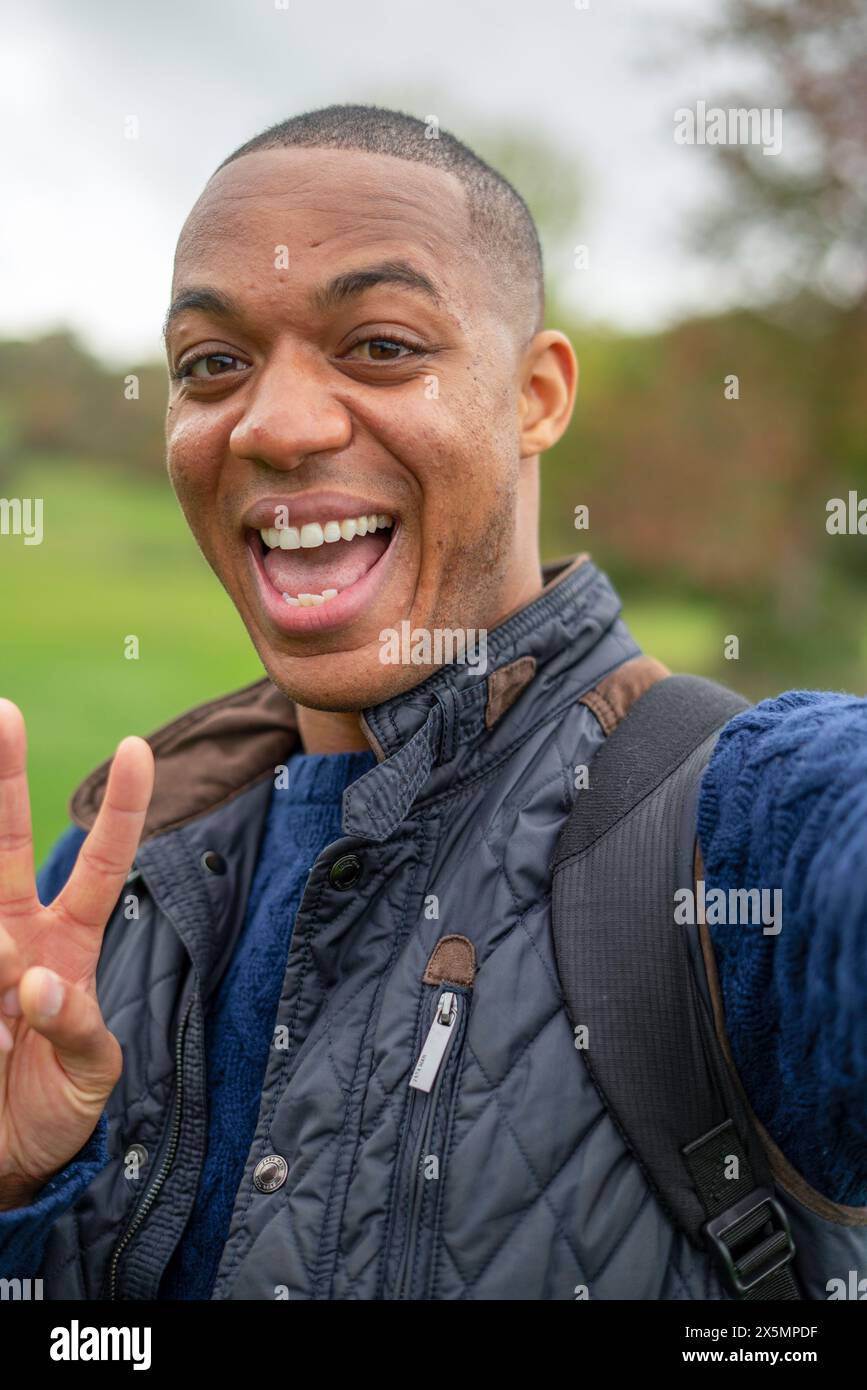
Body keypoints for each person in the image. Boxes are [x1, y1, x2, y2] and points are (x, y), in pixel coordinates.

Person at [0, 105, 865, 1302]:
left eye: (382, 346)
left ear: (536, 395)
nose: (277, 424)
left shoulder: (744, 819)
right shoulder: (118, 879)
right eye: (212, 362)